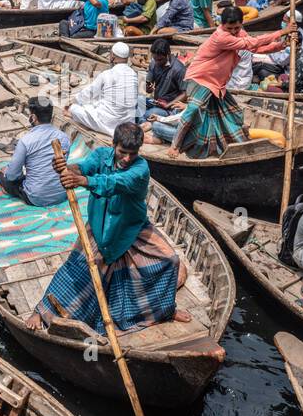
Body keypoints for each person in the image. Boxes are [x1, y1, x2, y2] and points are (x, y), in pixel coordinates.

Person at [29, 122, 189, 333]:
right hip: (100, 229)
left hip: (132, 228)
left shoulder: (140, 169)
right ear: (114, 145)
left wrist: (82, 180)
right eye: (123, 153)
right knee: (77, 269)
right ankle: (41, 311)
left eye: (132, 154)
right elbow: (82, 168)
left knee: (170, 261)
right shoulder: (101, 155)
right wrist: (66, 169)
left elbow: (113, 183)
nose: (127, 159)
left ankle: (163, 310)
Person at [168, 7, 293, 159]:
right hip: (201, 78)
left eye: (237, 28)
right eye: (230, 28)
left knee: (233, 112)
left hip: (217, 83)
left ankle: (232, 144)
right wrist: (281, 32)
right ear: (222, 25)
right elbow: (251, 42)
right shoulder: (220, 36)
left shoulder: (240, 33)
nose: (233, 31)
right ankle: (175, 145)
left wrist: (280, 46)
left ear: (241, 24)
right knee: (193, 110)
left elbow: (256, 47)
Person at [0, 96, 70, 206]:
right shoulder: (64, 137)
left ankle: (8, 190)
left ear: (33, 117)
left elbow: (12, 175)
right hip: (63, 194)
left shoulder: (25, 140)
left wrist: (6, 172)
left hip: (36, 198)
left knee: (3, 174)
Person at [70, 41, 138, 137]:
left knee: (73, 109)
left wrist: (74, 100)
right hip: (127, 124)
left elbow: (88, 93)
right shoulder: (134, 75)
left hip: (108, 123)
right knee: (98, 99)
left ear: (113, 56)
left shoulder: (107, 74)